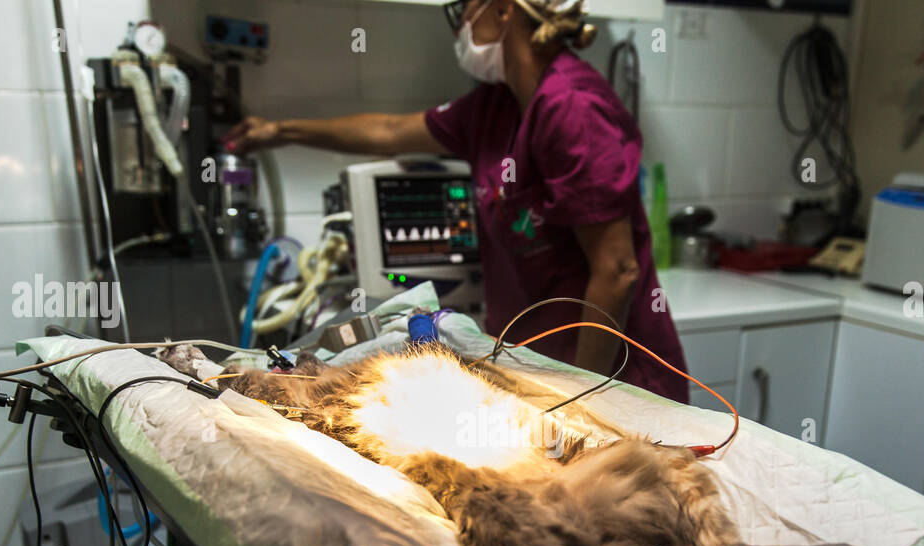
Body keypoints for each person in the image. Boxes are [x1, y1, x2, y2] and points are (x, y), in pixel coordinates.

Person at [225, 0, 689, 403]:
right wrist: (279, 132)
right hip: (542, 369)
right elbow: (388, 131)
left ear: (504, 9)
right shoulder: (495, 108)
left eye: (462, 10)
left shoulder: (572, 106)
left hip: (611, 381)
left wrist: (582, 399)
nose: (458, 28)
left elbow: (617, 270)